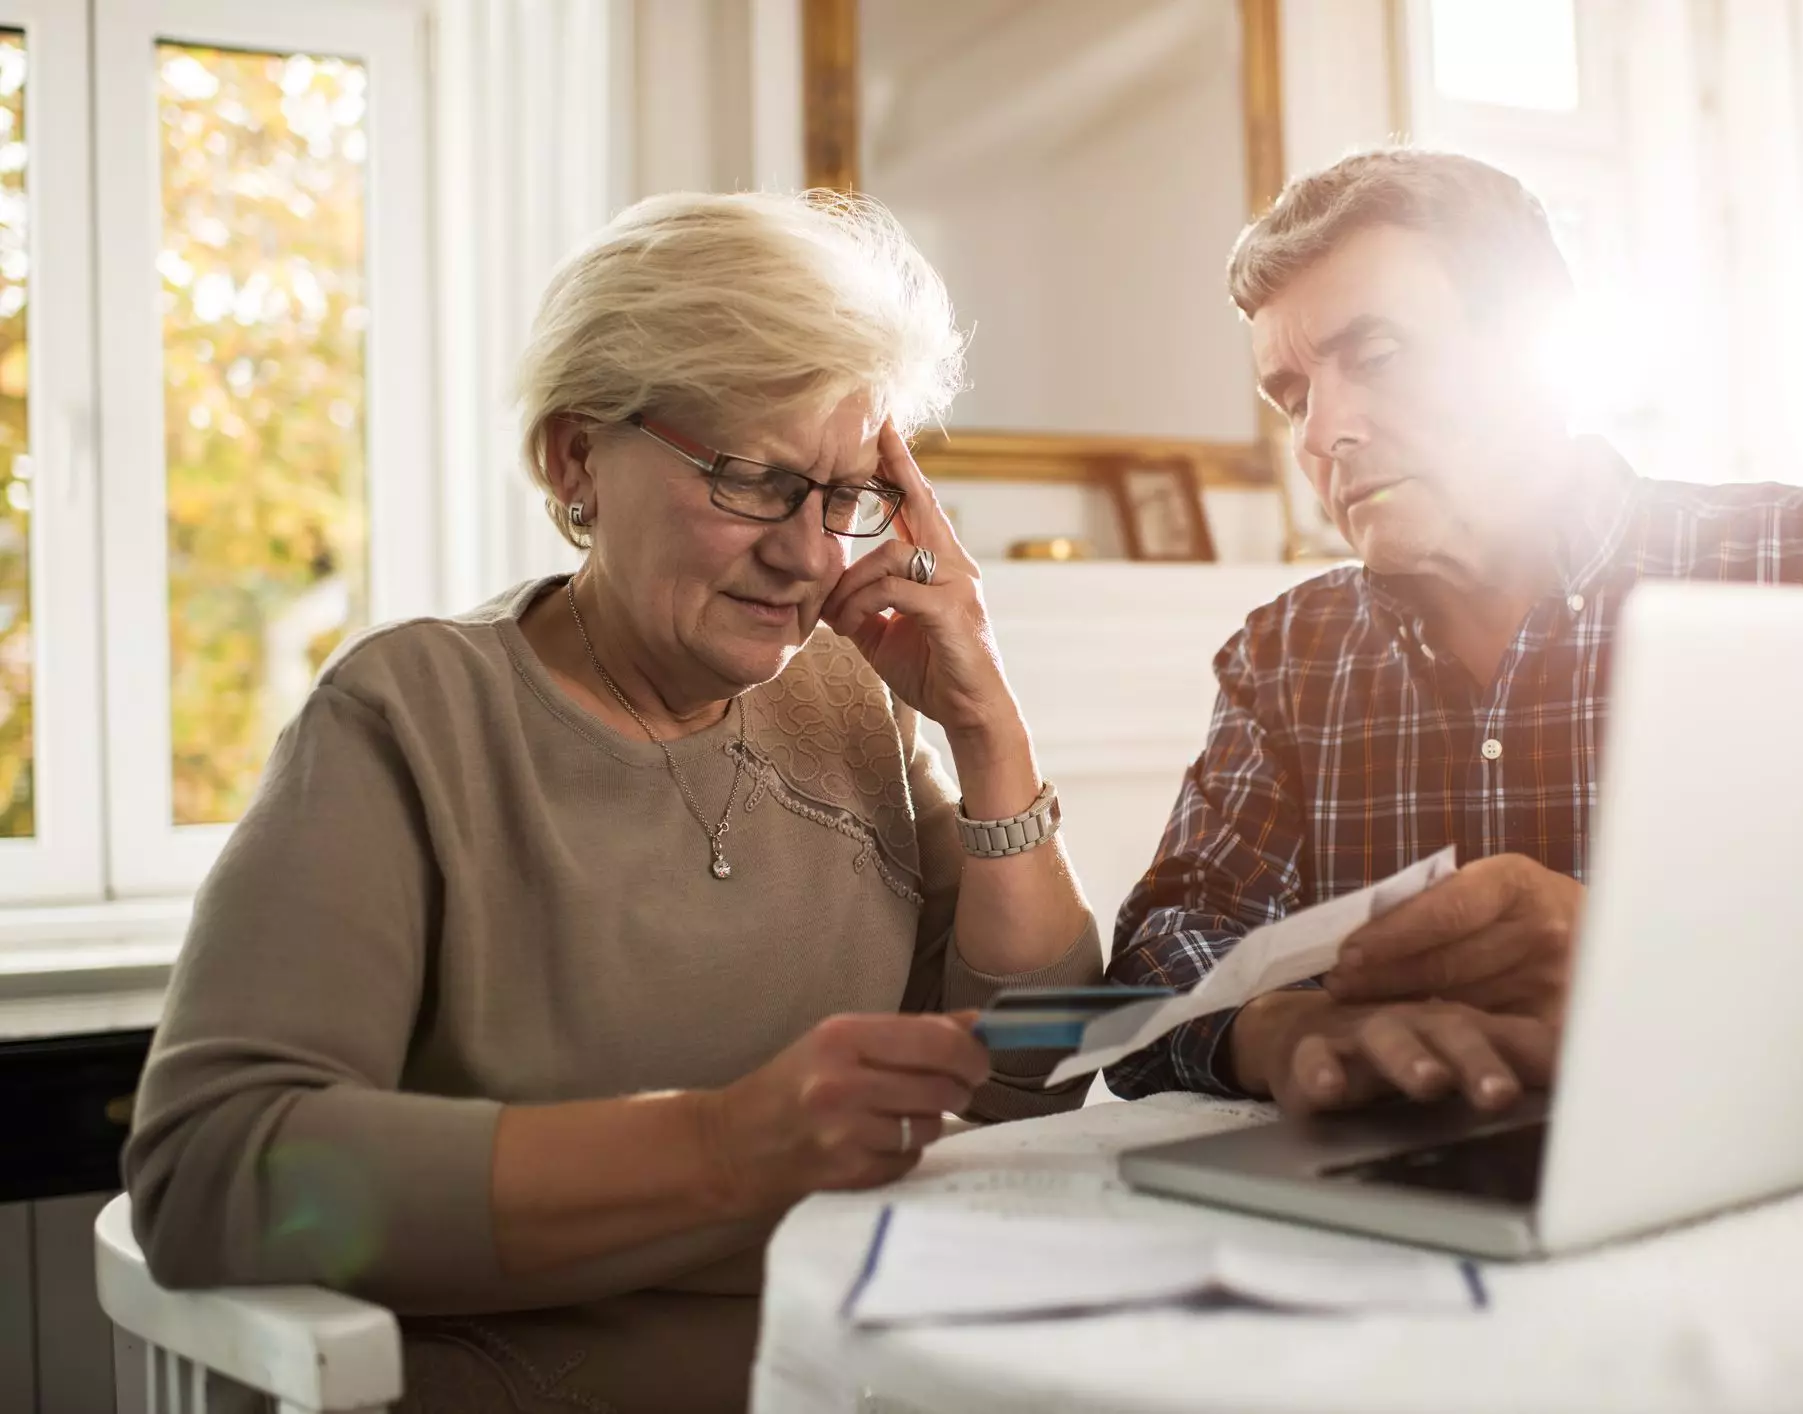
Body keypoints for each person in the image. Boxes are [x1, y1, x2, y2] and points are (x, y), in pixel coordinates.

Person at [123, 191, 1101, 1413]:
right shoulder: (412, 715)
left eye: (846, 492)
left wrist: (986, 727)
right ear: (575, 456)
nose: (807, 556)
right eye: (753, 480)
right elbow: (217, 1172)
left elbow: (1031, 1081)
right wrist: (721, 1147)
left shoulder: (851, 703)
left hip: (860, 1371)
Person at [1102, 147, 1803, 1113]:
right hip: (1404, 1219)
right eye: (1291, 397)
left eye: (1376, 359)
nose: (1319, 432)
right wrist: (1275, 1029)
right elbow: (1132, 982)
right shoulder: (1286, 656)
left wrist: (1647, 958)